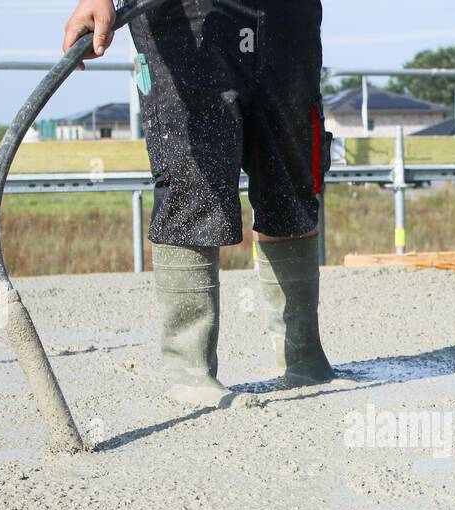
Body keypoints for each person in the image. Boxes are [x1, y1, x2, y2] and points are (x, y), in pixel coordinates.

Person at [63, 0, 336, 407]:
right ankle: (188, 367)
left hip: (286, 13)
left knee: (291, 182)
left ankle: (302, 354)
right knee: (192, 177)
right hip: (186, 17)